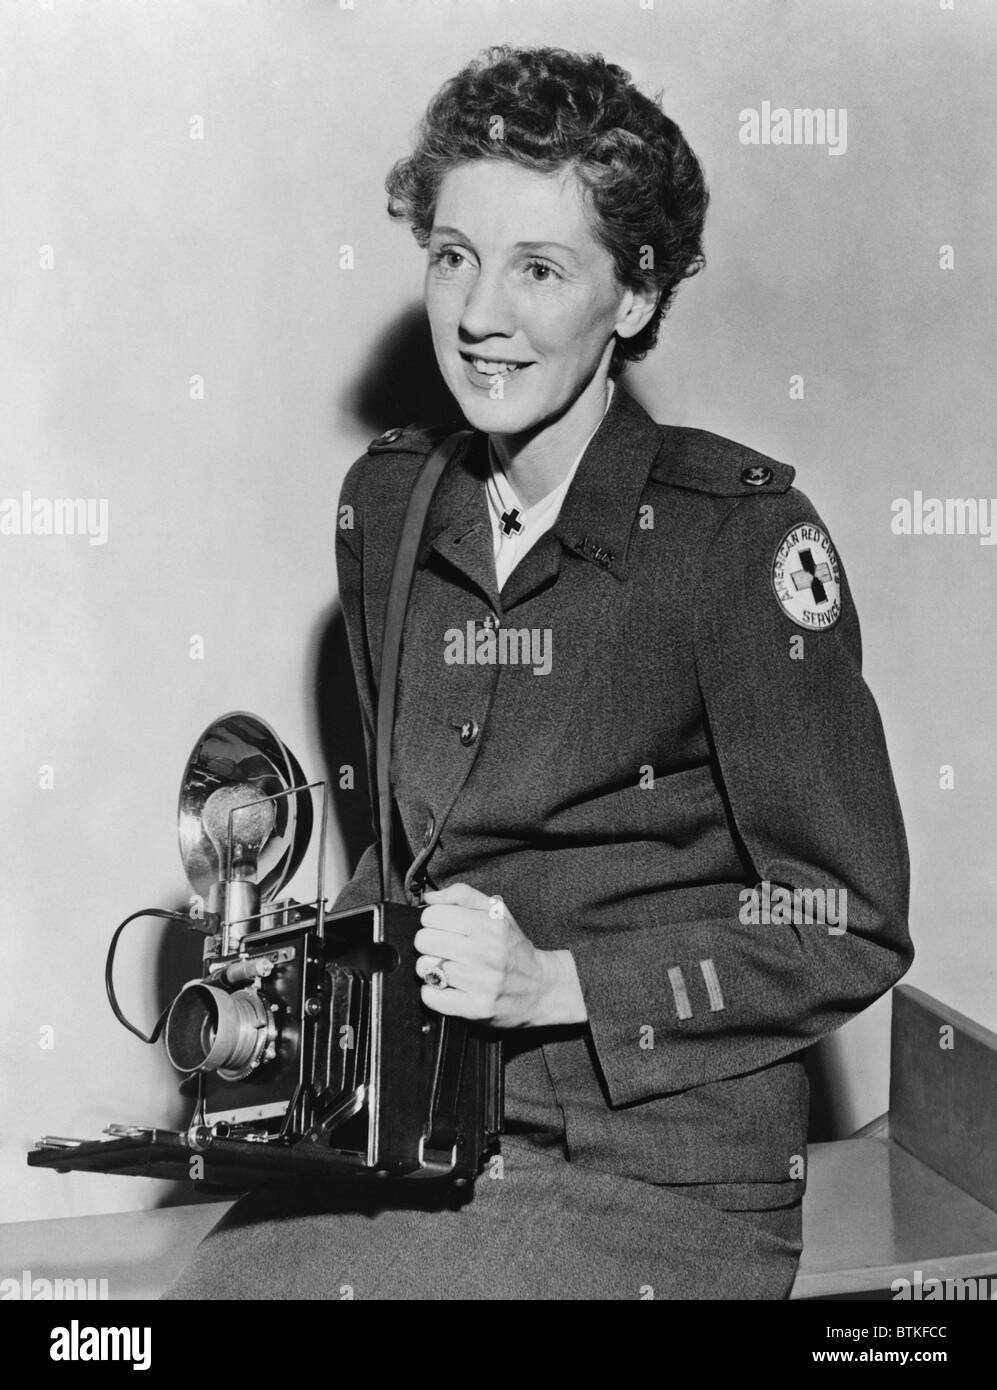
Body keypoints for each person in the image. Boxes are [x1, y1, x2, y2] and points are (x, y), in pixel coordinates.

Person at [166, 43, 912, 1301]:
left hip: (658, 1171)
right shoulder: (391, 508)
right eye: (453, 255)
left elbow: (847, 916)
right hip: (422, 1133)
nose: (476, 315)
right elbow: (410, 849)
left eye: (539, 268)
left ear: (633, 296)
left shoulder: (739, 542)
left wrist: (561, 981)